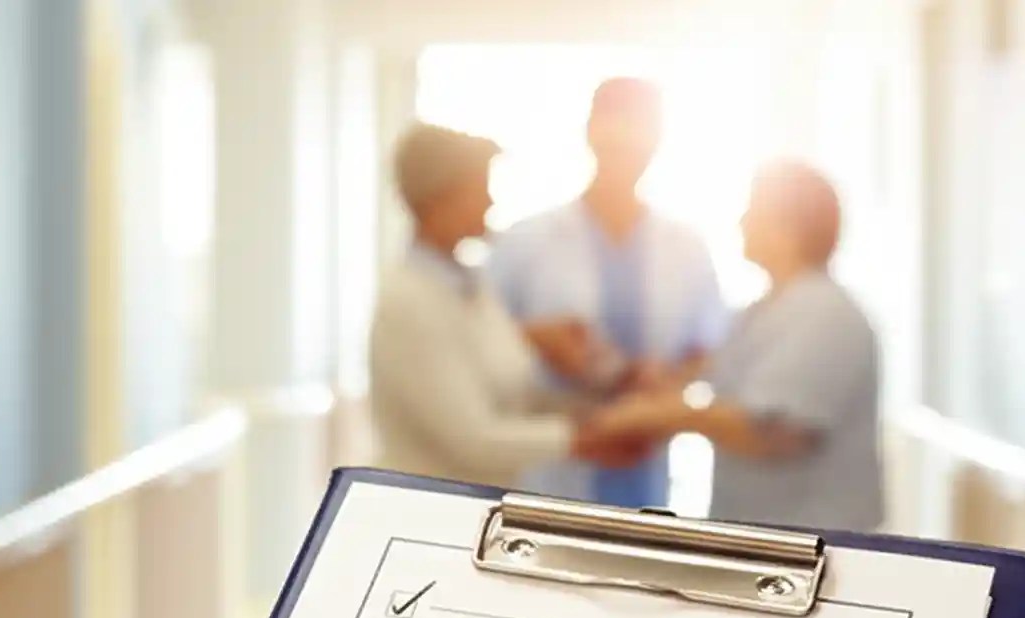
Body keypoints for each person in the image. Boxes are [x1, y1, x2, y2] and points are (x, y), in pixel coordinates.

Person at [596, 161, 884, 531]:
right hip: (762, 534)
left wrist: (659, 415)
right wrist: (652, 385)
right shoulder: (761, 311)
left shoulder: (824, 313)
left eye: (753, 211)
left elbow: (772, 432)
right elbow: (712, 376)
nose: (741, 223)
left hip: (816, 543)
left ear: (788, 226)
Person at [487, 77, 727, 508]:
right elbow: (482, 343)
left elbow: (710, 344)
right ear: (591, 132)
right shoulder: (527, 241)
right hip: (555, 456)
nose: (629, 146)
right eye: (617, 129)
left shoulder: (686, 246)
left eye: (642, 132)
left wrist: (666, 382)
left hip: (645, 457)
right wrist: (539, 340)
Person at [368, 123, 646, 489]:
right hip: (432, 506)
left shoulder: (472, 285)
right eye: (479, 188)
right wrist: (583, 440)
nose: (489, 202)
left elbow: (516, 396)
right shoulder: (407, 302)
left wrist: (589, 413)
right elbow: (473, 440)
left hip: (484, 500)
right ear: (441, 198)